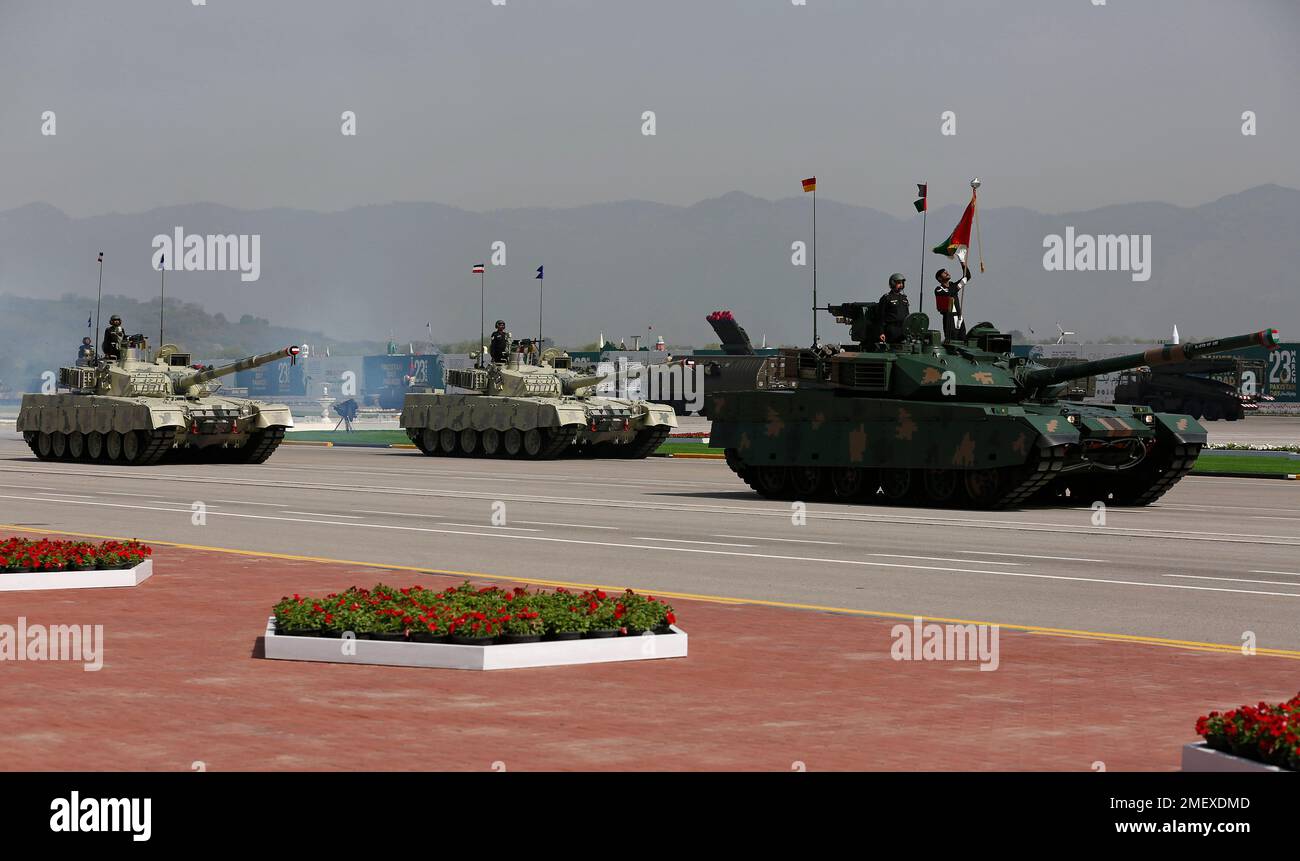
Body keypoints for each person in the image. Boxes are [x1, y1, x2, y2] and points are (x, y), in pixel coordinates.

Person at [934, 261, 971, 341]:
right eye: (944, 273)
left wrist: (963, 264)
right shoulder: (939, 289)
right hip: (949, 319)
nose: (947, 273)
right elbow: (949, 293)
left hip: (959, 318)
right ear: (939, 278)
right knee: (952, 342)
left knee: (963, 340)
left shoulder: (953, 286)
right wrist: (956, 287)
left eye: (946, 271)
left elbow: (967, 277)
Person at [878, 273, 911, 344]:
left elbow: (907, 315)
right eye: (899, 283)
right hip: (892, 329)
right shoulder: (886, 298)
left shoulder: (904, 298)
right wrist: (881, 332)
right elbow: (881, 316)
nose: (901, 285)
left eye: (902, 283)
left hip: (903, 330)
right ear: (893, 283)